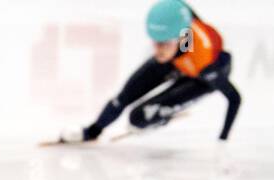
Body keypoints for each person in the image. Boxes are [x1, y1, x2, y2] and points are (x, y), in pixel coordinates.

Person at [59, 2, 241, 147]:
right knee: (124, 97)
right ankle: (93, 131)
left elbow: (235, 98)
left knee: (137, 119)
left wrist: (222, 140)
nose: (158, 50)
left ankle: (162, 117)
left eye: (164, 44)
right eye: (155, 42)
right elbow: (179, 6)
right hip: (180, 59)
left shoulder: (206, 63)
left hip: (202, 77)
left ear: (179, 39)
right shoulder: (179, 27)